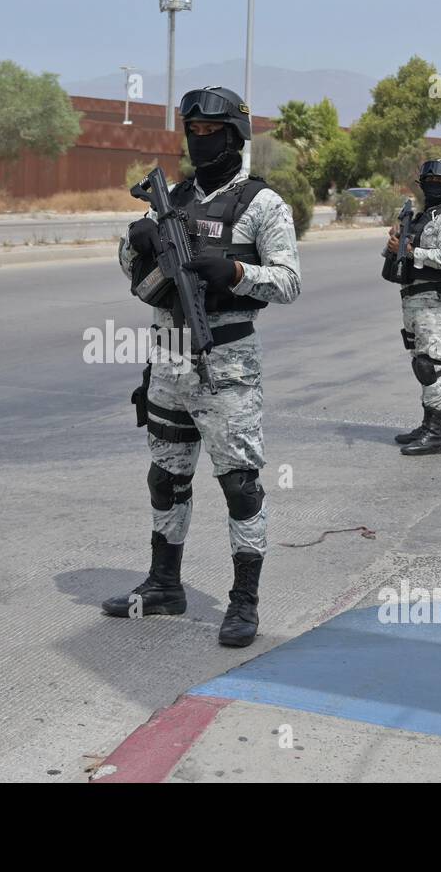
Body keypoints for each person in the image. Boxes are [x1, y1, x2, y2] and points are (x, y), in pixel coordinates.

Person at [104, 85, 301, 648]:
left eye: (212, 132)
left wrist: (237, 275)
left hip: (227, 360)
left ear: (236, 137)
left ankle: (244, 602)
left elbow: (289, 281)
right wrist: (136, 239)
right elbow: (131, 266)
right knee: (166, 477)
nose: (200, 141)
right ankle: (165, 582)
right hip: (167, 359)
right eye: (193, 132)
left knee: (239, 484)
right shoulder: (176, 195)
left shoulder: (262, 204)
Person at [385, 159, 441, 456]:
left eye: (440, 182)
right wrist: (396, 241)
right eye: (429, 181)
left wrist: (410, 250)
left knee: (430, 364)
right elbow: (396, 256)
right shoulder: (422, 217)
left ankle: (435, 433)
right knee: (419, 363)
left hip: (435, 299)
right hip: (412, 297)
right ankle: (425, 424)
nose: (433, 186)